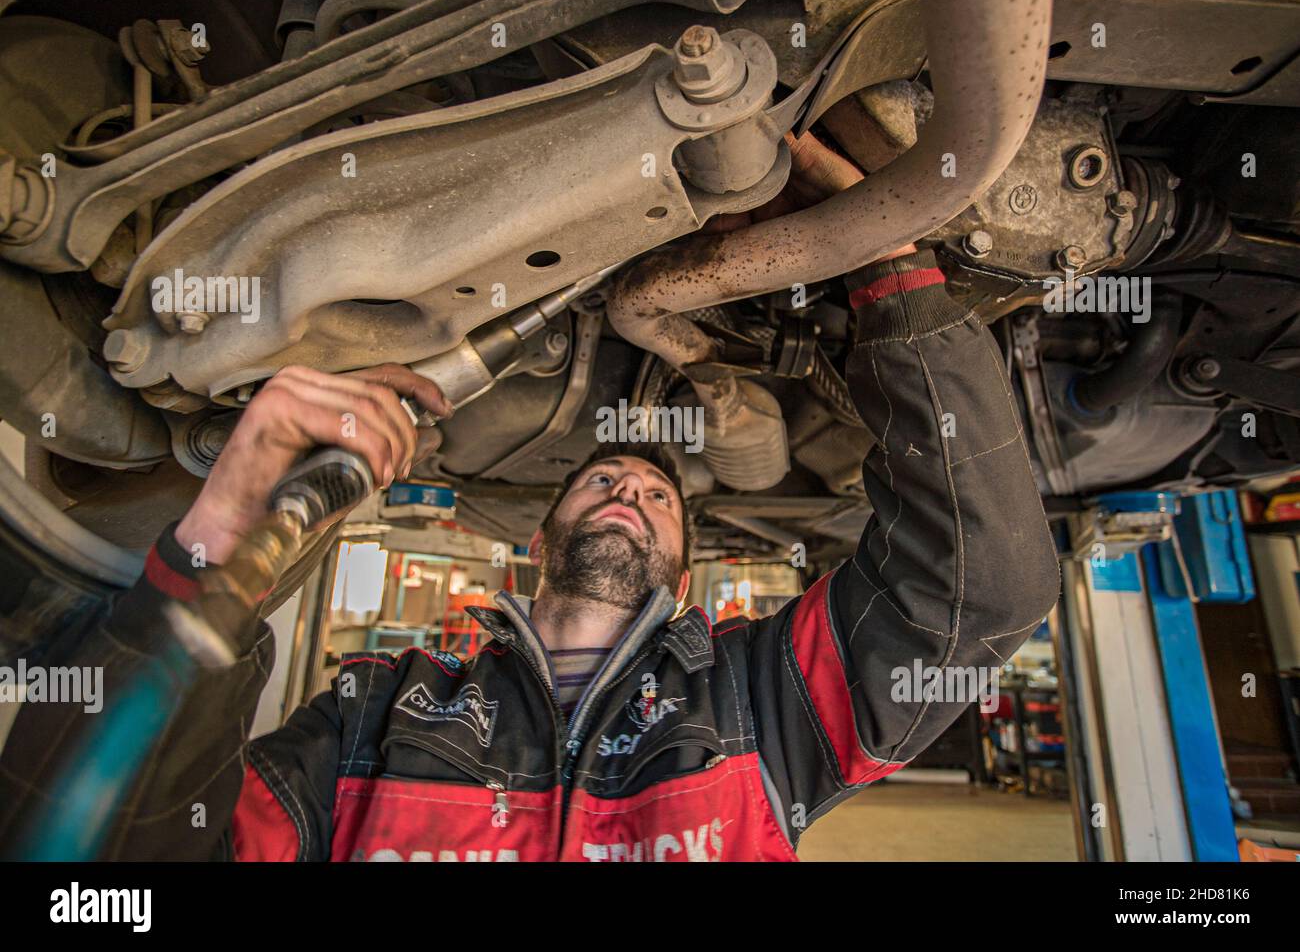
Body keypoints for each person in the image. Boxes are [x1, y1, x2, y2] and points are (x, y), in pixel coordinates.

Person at [0, 137, 1060, 862]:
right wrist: (888, 266)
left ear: (679, 573)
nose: (630, 484)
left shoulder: (755, 707)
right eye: (611, 479)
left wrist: (210, 554)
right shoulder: (383, 719)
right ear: (539, 538)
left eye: (652, 488)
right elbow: (980, 586)